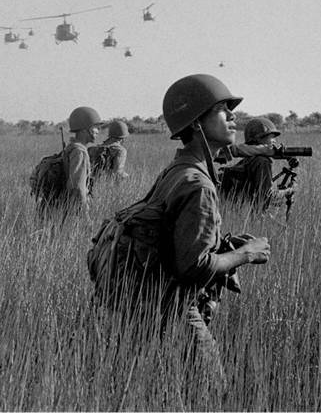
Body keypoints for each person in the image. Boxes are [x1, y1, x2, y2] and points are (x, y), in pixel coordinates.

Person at [87, 74, 271, 404]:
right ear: (197, 123)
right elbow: (193, 265)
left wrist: (222, 242)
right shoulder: (197, 184)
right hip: (171, 307)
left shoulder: (178, 170)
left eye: (231, 109)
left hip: (142, 304)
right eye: (221, 109)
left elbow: (168, 238)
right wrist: (245, 254)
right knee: (213, 394)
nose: (233, 116)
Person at [38, 106, 102, 219]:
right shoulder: (79, 152)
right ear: (85, 129)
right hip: (68, 213)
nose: (98, 131)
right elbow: (77, 188)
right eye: (95, 127)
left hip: (56, 209)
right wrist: (86, 217)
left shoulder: (71, 148)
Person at [220, 117, 296, 212]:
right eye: (271, 137)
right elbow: (266, 197)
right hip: (250, 218)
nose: (274, 141)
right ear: (259, 138)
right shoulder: (262, 161)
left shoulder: (248, 160)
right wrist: (288, 191)